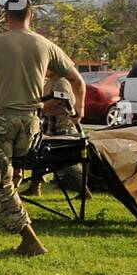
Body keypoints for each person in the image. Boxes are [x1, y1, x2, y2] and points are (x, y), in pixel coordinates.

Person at [0, 0, 85, 257]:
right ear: (30, 15)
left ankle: (29, 240)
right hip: (32, 123)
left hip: (2, 119)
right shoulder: (46, 45)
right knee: (11, 175)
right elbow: (78, 81)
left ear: (5, 17)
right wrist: (81, 109)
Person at [25, 67, 89, 199]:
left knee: (65, 162)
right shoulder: (50, 82)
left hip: (62, 127)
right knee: (39, 154)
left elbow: (58, 99)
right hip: (49, 126)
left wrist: (39, 110)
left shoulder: (61, 82)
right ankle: (34, 187)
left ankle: (84, 191)